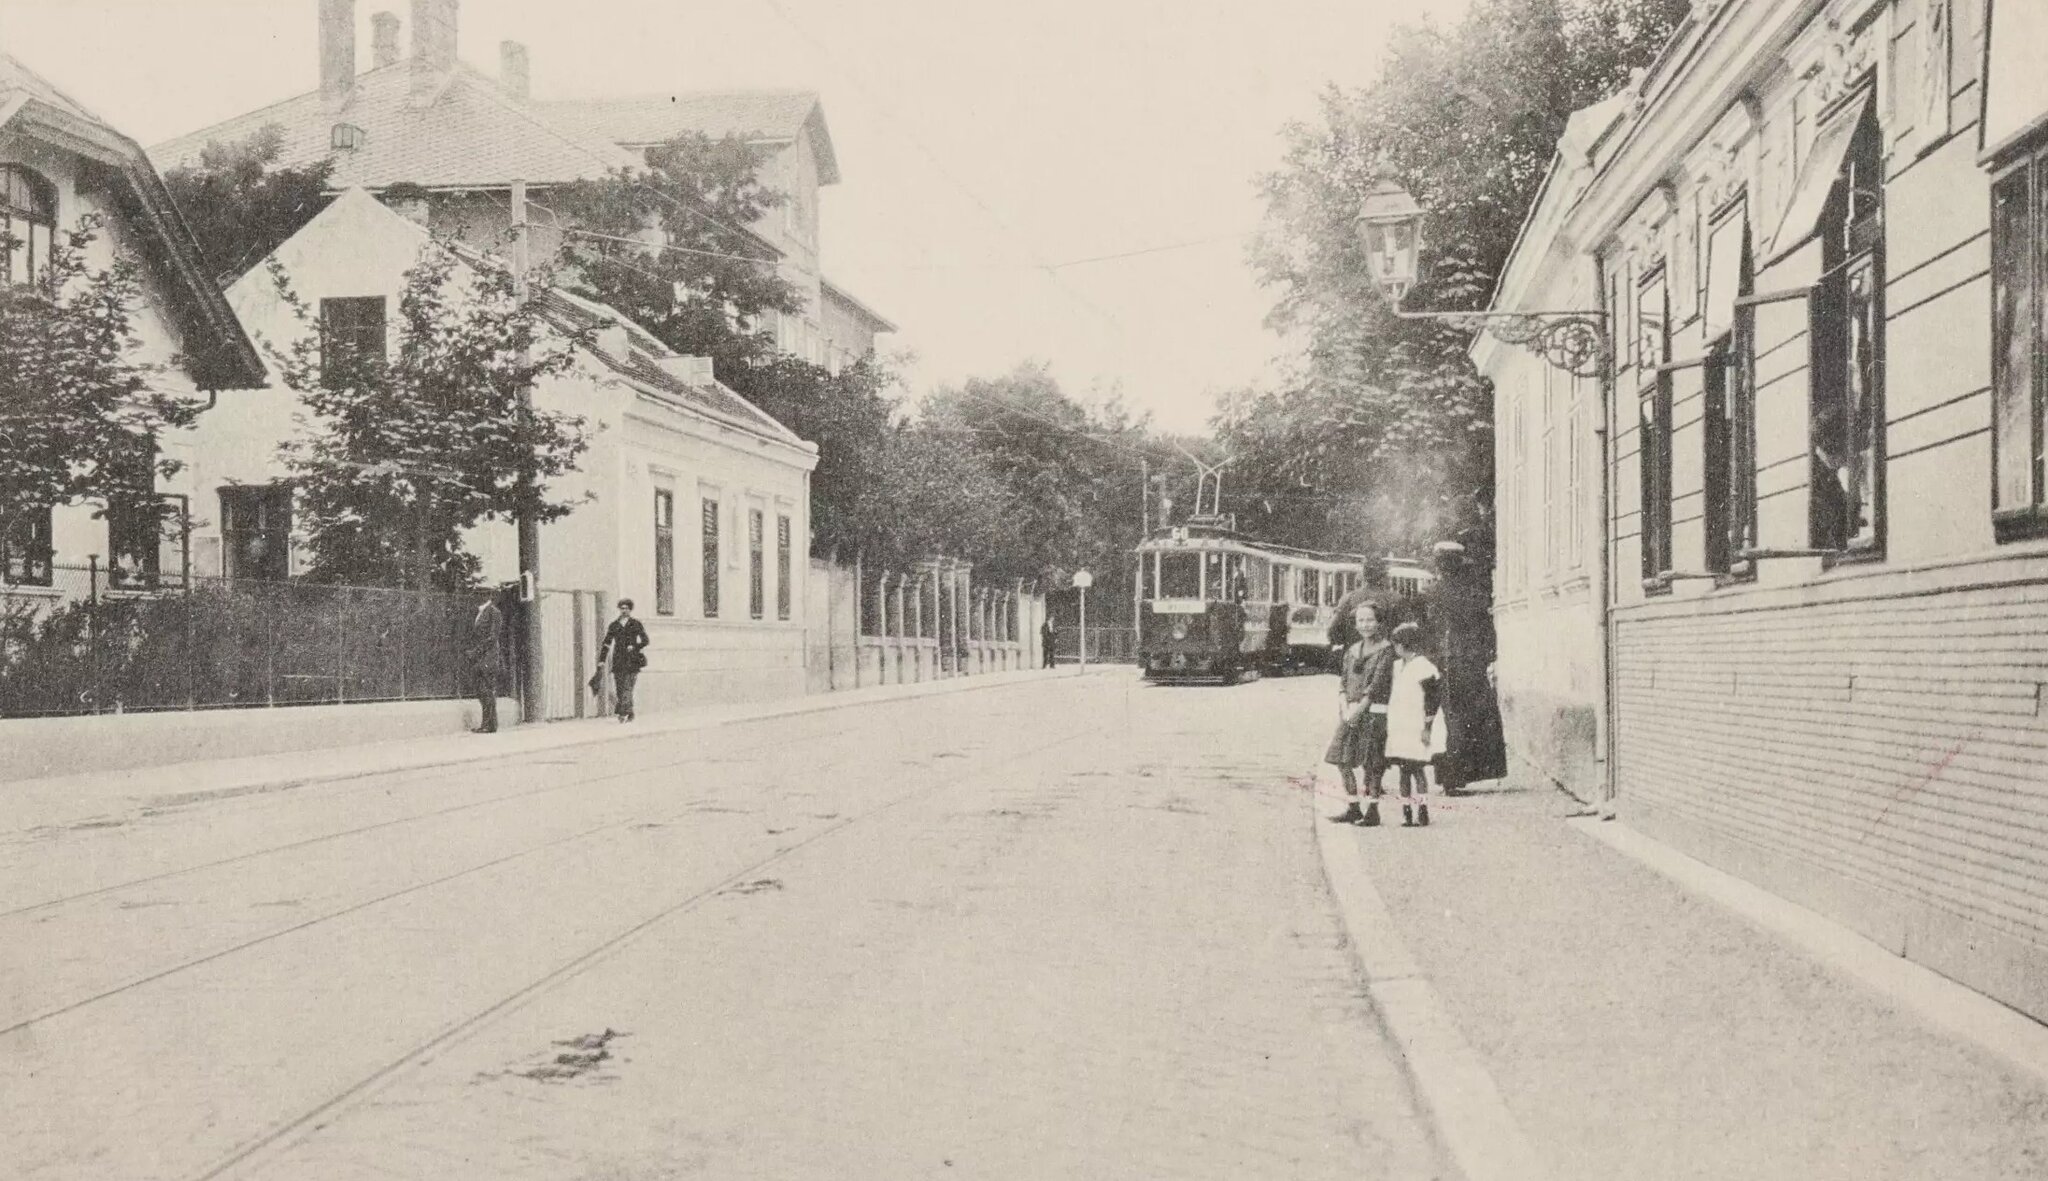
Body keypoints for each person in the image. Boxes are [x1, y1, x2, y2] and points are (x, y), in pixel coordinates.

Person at [1425, 540, 1508, 793]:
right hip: (1472, 662)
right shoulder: (1475, 592)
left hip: (1445, 660)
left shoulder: (1433, 592)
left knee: (1452, 717)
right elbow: (1487, 628)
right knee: (1477, 717)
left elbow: (1429, 630)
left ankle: (1452, 776)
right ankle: (1469, 771)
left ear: (1440, 563)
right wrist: (1489, 656)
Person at [1325, 597, 1396, 827]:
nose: (1365, 624)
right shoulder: (1352, 651)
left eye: (1370, 620)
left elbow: (1376, 686)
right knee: (1342, 759)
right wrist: (1345, 706)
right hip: (1351, 712)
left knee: (1372, 763)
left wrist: (1359, 710)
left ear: (1378, 623)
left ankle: (1373, 810)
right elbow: (1343, 683)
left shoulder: (1386, 651)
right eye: (1360, 620)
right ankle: (1353, 806)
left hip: (1373, 713)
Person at [1384, 621, 1446, 827]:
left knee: (1417, 770)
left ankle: (1422, 809)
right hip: (1400, 726)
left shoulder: (1424, 667)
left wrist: (1427, 726)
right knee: (1403, 771)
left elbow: (1432, 698)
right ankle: (1406, 812)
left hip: (1417, 726)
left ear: (1403, 645)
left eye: (1396, 645)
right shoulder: (1397, 666)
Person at [593, 598, 650, 722]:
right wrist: (602, 660)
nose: (624, 611)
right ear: (619, 609)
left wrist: (634, 646)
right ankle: (630, 711)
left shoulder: (636, 624)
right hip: (618, 660)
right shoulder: (614, 625)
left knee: (628, 687)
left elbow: (646, 640)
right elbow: (606, 643)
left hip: (632, 660)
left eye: (626, 608)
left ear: (630, 610)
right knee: (619, 688)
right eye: (622, 608)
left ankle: (622, 713)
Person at [468, 589, 504, 734]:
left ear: (488, 595)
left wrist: (475, 652)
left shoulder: (494, 612)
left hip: (488, 657)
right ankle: (488, 724)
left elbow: (492, 638)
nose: (478, 596)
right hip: (481, 658)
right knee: (482, 691)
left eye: (482, 593)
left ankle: (489, 725)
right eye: (477, 593)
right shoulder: (480, 612)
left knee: (487, 691)